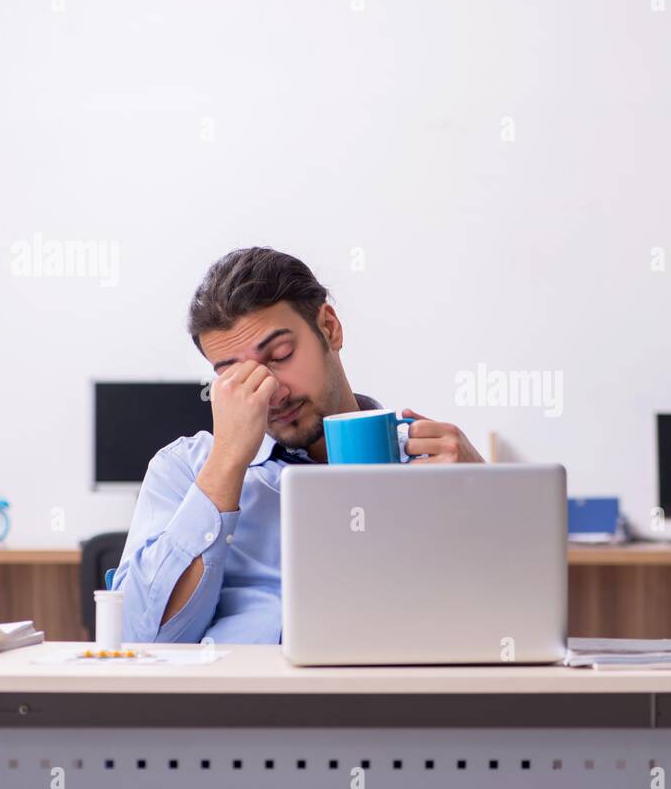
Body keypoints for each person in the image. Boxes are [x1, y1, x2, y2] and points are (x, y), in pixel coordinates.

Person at [111, 247, 484, 643]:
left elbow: (498, 623)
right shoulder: (185, 469)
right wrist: (228, 461)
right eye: (236, 376)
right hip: (239, 698)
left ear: (329, 327)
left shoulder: (431, 462)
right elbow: (140, 640)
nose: (272, 392)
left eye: (280, 355)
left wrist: (485, 497)